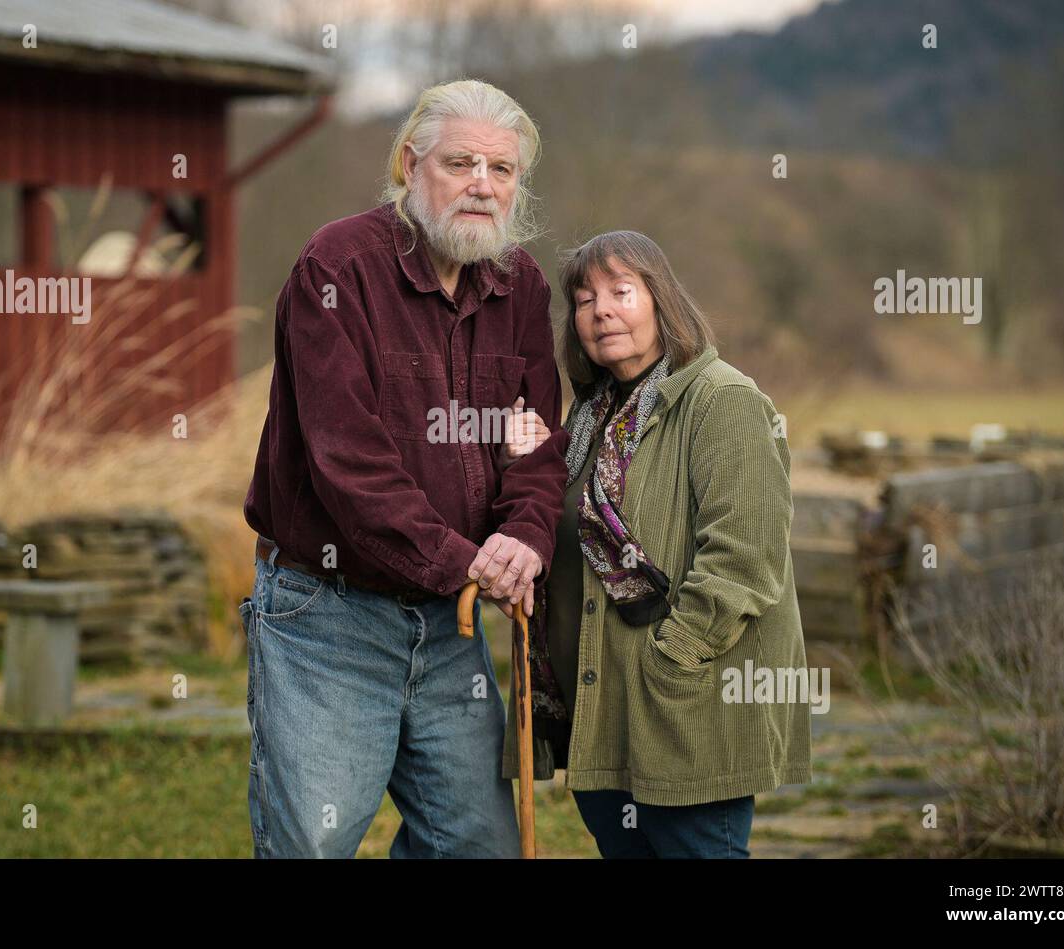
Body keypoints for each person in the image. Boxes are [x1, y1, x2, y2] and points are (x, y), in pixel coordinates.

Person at [240, 80, 569, 858]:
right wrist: (470, 564)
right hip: (329, 613)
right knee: (312, 845)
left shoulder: (518, 286)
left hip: (449, 625)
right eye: (461, 163)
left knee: (476, 845)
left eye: (502, 169)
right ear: (409, 164)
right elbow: (347, 462)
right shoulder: (339, 266)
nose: (483, 185)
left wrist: (523, 537)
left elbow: (536, 443)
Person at [502, 230, 812, 858]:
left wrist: (670, 662)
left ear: (662, 301)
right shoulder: (592, 418)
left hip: (686, 708)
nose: (601, 311)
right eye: (585, 300)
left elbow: (744, 561)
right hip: (603, 711)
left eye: (622, 291)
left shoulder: (723, 401)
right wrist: (525, 464)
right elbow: (557, 546)